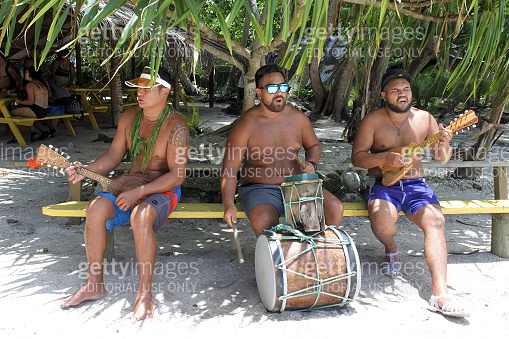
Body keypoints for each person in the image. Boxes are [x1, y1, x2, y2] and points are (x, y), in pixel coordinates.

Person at [61, 66, 190, 321]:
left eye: (146, 87)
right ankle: (94, 284)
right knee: (95, 208)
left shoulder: (177, 127)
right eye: (138, 87)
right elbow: (113, 156)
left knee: (141, 216)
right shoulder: (130, 117)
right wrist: (86, 170)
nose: (139, 93)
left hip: (163, 189)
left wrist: (140, 192)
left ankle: (144, 294)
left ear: (164, 92)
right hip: (130, 183)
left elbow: (177, 176)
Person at [351, 68, 470, 318]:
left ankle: (440, 294)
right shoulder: (372, 120)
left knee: (436, 221)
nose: (402, 94)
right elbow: (357, 158)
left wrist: (443, 144)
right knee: (383, 223)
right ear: (384, 95)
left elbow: (442, 159)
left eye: (406, 89)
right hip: (384, 184)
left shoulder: (425, 119)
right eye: (395, 90)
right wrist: (385, 157)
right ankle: (391, 249)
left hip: (417, 185)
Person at [221, 64, 344, 238]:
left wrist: (312, 163)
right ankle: (279, 259)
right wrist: (229, 204)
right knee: (264, 220)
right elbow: (229, 170)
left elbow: (314, 146)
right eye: (272, 88)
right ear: (259, 93)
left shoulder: (298, 118)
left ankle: (312, 251)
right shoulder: (245, 125)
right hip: (259, 189)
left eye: (283, 87)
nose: (279, 93)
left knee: (333, 208)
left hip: (298, 186)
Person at [9, 67, 53, 142]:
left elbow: (30, 102)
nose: (25, 74)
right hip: (45, 111)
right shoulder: (41, 83)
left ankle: (16, 136)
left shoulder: (30, 85)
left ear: (31, 74)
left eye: (26, 73)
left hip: (37, 110)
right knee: (25, 112)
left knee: (11, 112)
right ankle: (39, 132)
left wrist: (18, 101)